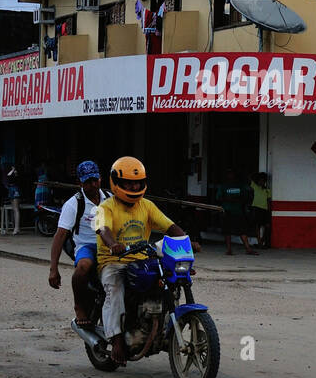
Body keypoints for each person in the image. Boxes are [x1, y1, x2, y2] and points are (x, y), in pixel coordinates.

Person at [92, 156, 198, 365]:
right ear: (116, 182)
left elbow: (169, 226)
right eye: (129, 183)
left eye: (137, 182)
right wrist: (113, 243)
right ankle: (117, 340)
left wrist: (185, 240)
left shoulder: (146, 205)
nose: (134, 186)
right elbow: (102, 228)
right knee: (115, 291)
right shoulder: (103, 207)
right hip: (113, 262)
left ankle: (163, 327)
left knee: (171, 281)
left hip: (143, 258)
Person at [49, 161, 112, 324]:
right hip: (87, 246)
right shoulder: (73, 204)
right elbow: (60, 235)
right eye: (88, 181)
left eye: (95, 180)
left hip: (111, 245)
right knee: (83, 266)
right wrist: (53, 269)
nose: (93, 184)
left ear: (100, 178)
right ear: (80, 183)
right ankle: (79, 306)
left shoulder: (111, 199)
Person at [216, 167, 258, 256]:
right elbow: (219, 198)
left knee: (242, 230)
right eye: (229, 174)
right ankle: (229, 250)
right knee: (227, 231)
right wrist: (229, 199)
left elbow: (246, 195)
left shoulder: (240, 185)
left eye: (232, 174)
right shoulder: (223, 186)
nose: (231, 175)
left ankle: (248, 249)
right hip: (227, 211)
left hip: (238, 211)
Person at [249, 171, 272, 249]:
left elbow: (269, 201)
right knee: (257, 226)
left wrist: (269, 211)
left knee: (267, 226)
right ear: (257, 181)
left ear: (265, 181)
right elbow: (250, 178)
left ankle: (262, 242)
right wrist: (256, 177)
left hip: (265, 210)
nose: (261, 182)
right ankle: (259, 242)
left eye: (263, 181)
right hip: (256, 208)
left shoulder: (267, 190)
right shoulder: (255, 187)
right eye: (260, 180)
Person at [5, 164, 23, 234]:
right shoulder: (11, 172)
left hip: (15, 190)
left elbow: (12, 178)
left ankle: (17, 228)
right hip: (11, 190)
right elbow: (8, 177)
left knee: (16, 209)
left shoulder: (16, 173)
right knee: (14, 209)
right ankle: (15, 227)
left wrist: (14, 170)